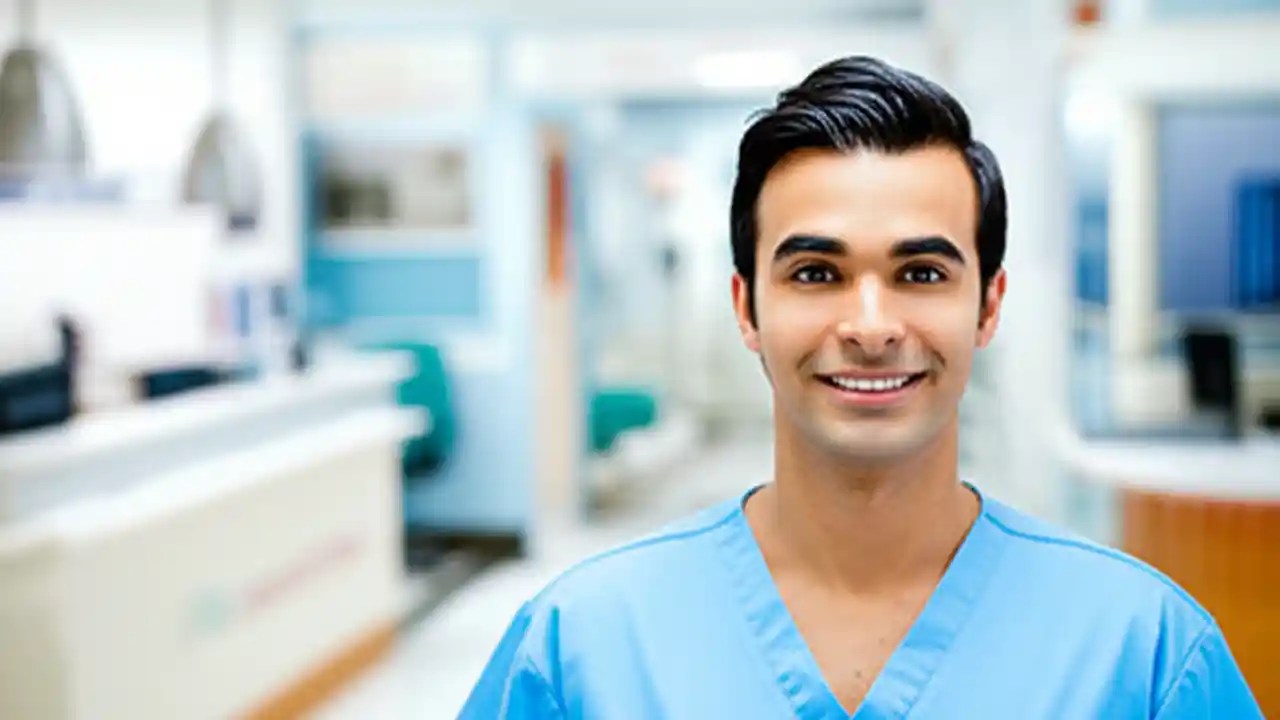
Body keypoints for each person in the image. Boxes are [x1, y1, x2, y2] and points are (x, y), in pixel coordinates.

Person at [460, 56, 1261, 719]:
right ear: (747, 308)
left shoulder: (1141, 654)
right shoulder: (585, 650)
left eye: (921, 273)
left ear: (988, 306)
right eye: (816, 273)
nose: (871, 327)